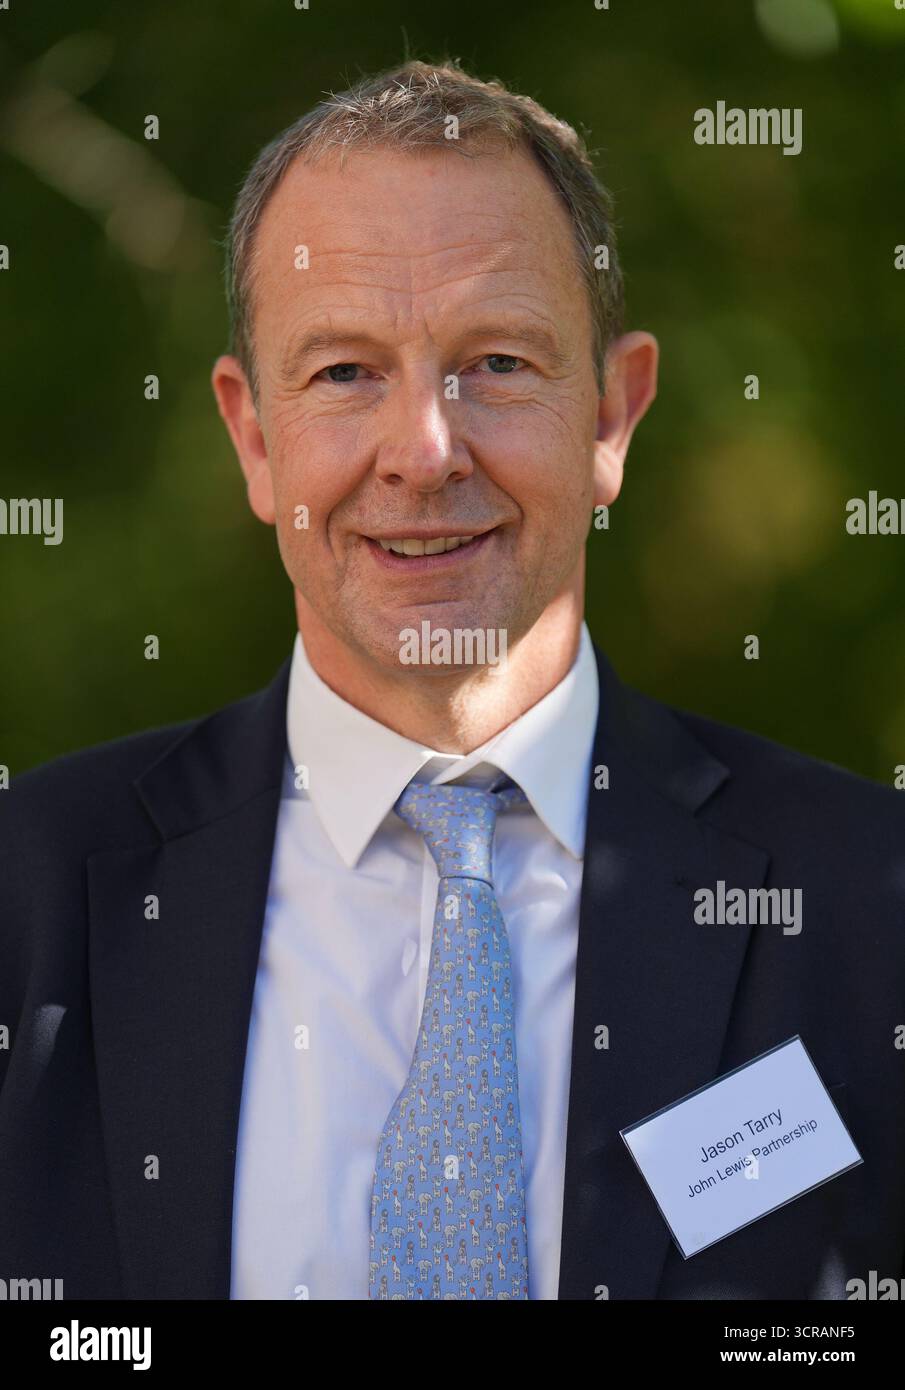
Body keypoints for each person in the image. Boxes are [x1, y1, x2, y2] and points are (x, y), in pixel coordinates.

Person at [1, 59, 903, 1302]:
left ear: (611, 416)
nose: (424, 453)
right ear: (254, 437)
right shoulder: (29, 894)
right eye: (343, 372)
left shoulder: (867, 902)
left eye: (497, 362)